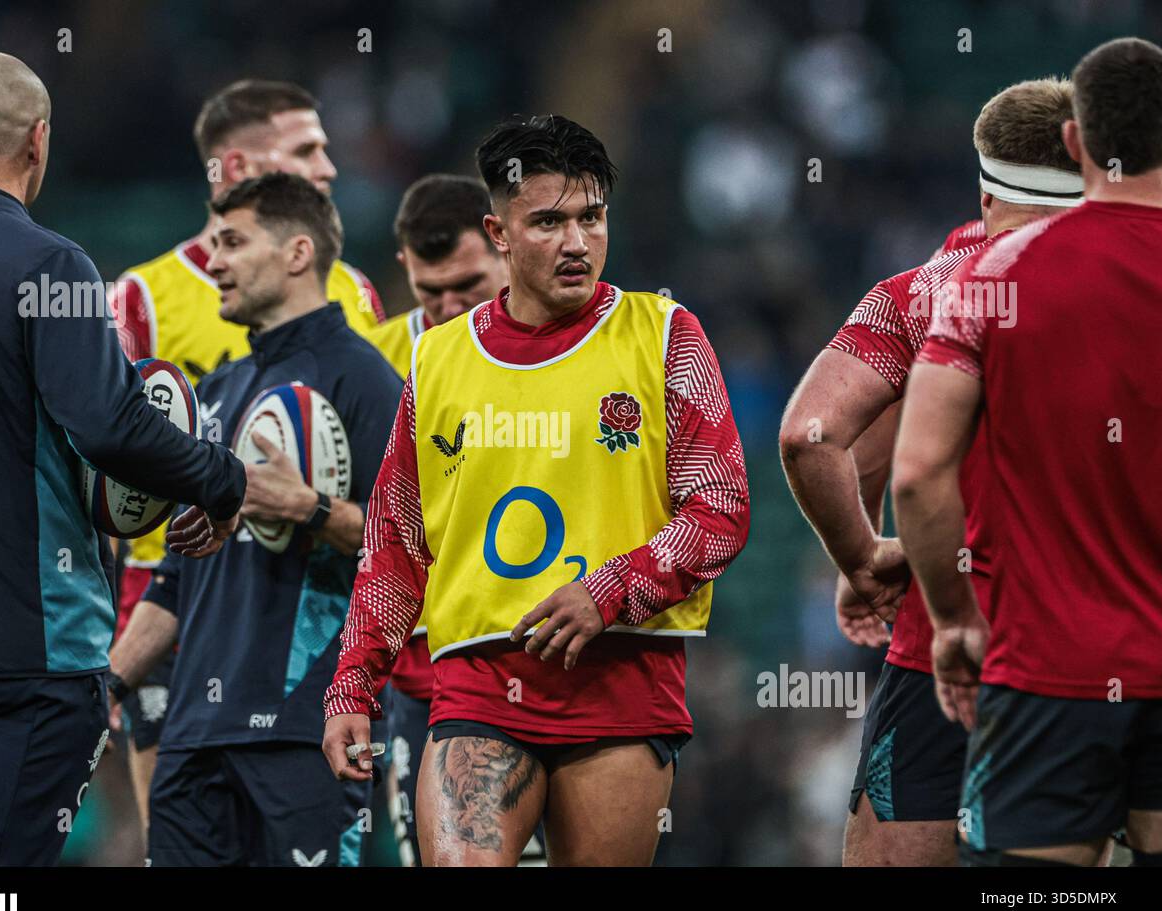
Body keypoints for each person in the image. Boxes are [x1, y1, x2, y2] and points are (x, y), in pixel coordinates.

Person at [322, 115, 749, 866]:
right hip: (478, 686)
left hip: (620, 684)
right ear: (499, 232)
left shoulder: (665, 334)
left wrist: (609, 590)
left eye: (591, 218)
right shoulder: (439, 361)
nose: (577, 242)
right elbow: (395, 542)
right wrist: (353, 688)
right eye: (548, 221)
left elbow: (720, 509)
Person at [0, 51, 244, 866]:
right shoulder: (49, 265)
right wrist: (220, 479)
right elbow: (109, 427)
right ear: (39, 143)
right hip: (31, 655)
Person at [779, 78, 1083, 865]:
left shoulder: (924, 293)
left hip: (952, 637)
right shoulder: (1141, 290)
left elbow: (811, 437)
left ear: (985, 191)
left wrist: (862, 554)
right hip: (1115, 637)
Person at [895, 37, 1162, 866]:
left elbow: (915, 475)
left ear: (1076, 144)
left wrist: (951, 623)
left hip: (1049, 674)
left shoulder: (995, 277)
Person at [106, 79, 385, 829]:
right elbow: (116, 487)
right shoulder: (145, 299)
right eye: (305, 150)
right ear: (233, 167)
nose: (327, 166)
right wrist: (109, 672)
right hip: (181, 625)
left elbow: (402, 516)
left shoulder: (356, 306)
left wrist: (307, 508)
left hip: (309, 647)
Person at [361, 173, 509, 865]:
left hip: (540, 650)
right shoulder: (376, 364)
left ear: (504, 246)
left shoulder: (562, 351)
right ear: (404, 270)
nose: (449, 308)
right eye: (430, 292)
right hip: (420, 669)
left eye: (469, 287)